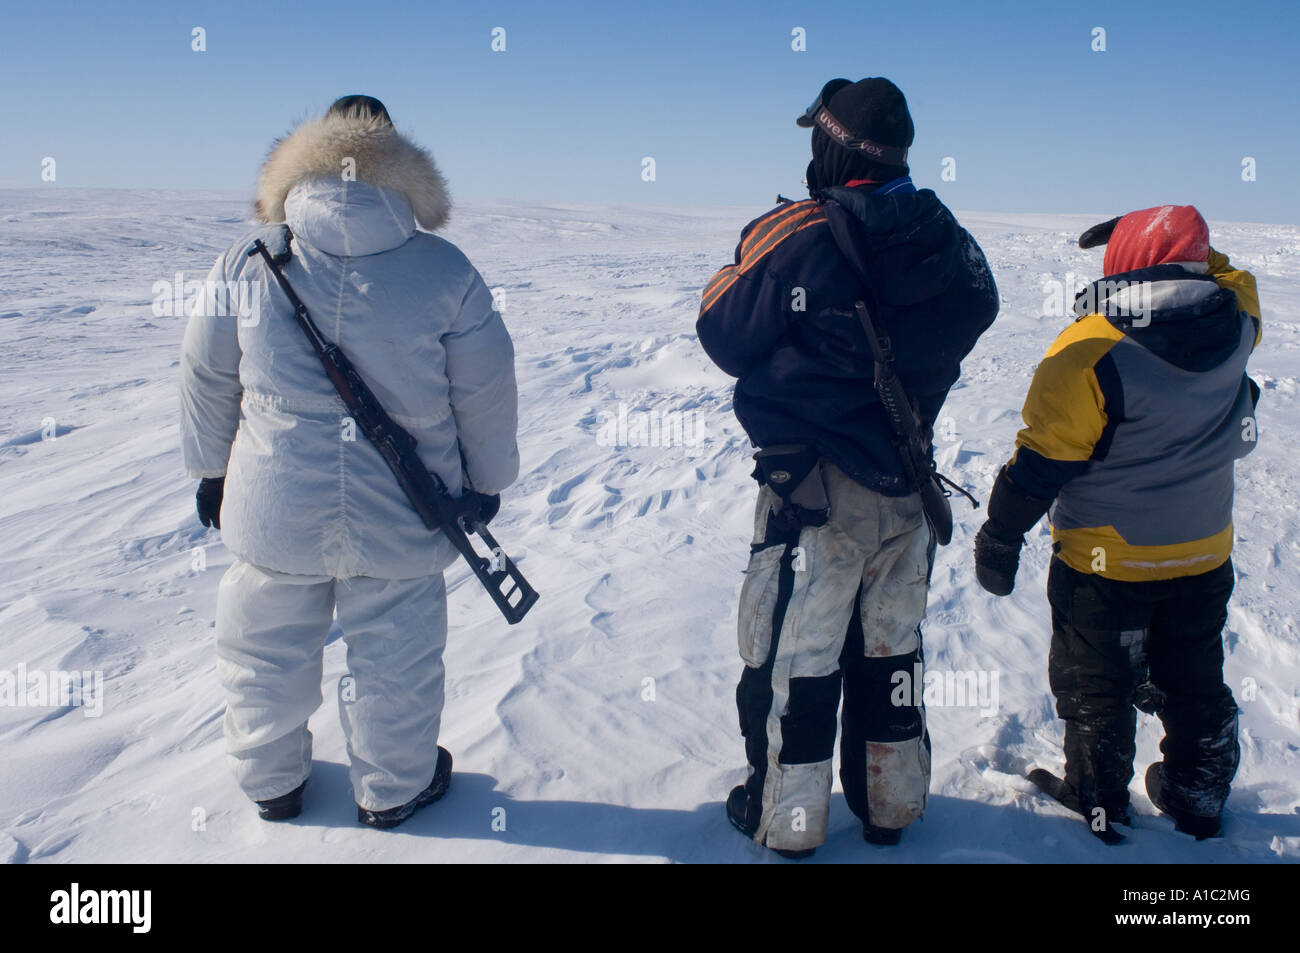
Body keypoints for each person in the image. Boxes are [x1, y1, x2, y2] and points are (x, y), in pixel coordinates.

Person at [179, 95, 519, 828]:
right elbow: (487, 385)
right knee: (395, 654)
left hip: (274, 502)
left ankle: (272, 783)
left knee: (263, 644)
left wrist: (212, 470)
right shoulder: (445, 269)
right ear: (397, 161)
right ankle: (393, 790)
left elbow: (206, 372)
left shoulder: (251, 258)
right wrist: (486, 482)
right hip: (404, 507)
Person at [697, 78, 1000, 857]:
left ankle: (791, 821)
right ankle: (890, 807)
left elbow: (720, 329)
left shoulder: (797, 233)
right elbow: (979, 302)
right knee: (889, 653)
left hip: (814, 495)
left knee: (797, 661)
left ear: (828, 146)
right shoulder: (943, 234)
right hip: (906, 485)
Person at [974, 204, 1260, 840]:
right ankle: (1198, 792)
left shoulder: (1089, 351)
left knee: (1094, 683)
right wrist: (1176, 245)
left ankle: (1097, 797)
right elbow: (1232, 274)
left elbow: (1040, 464)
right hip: (1204, 553)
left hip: (1107, 565)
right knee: (1192, 675)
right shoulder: (1238, 323)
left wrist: (1000, 533)